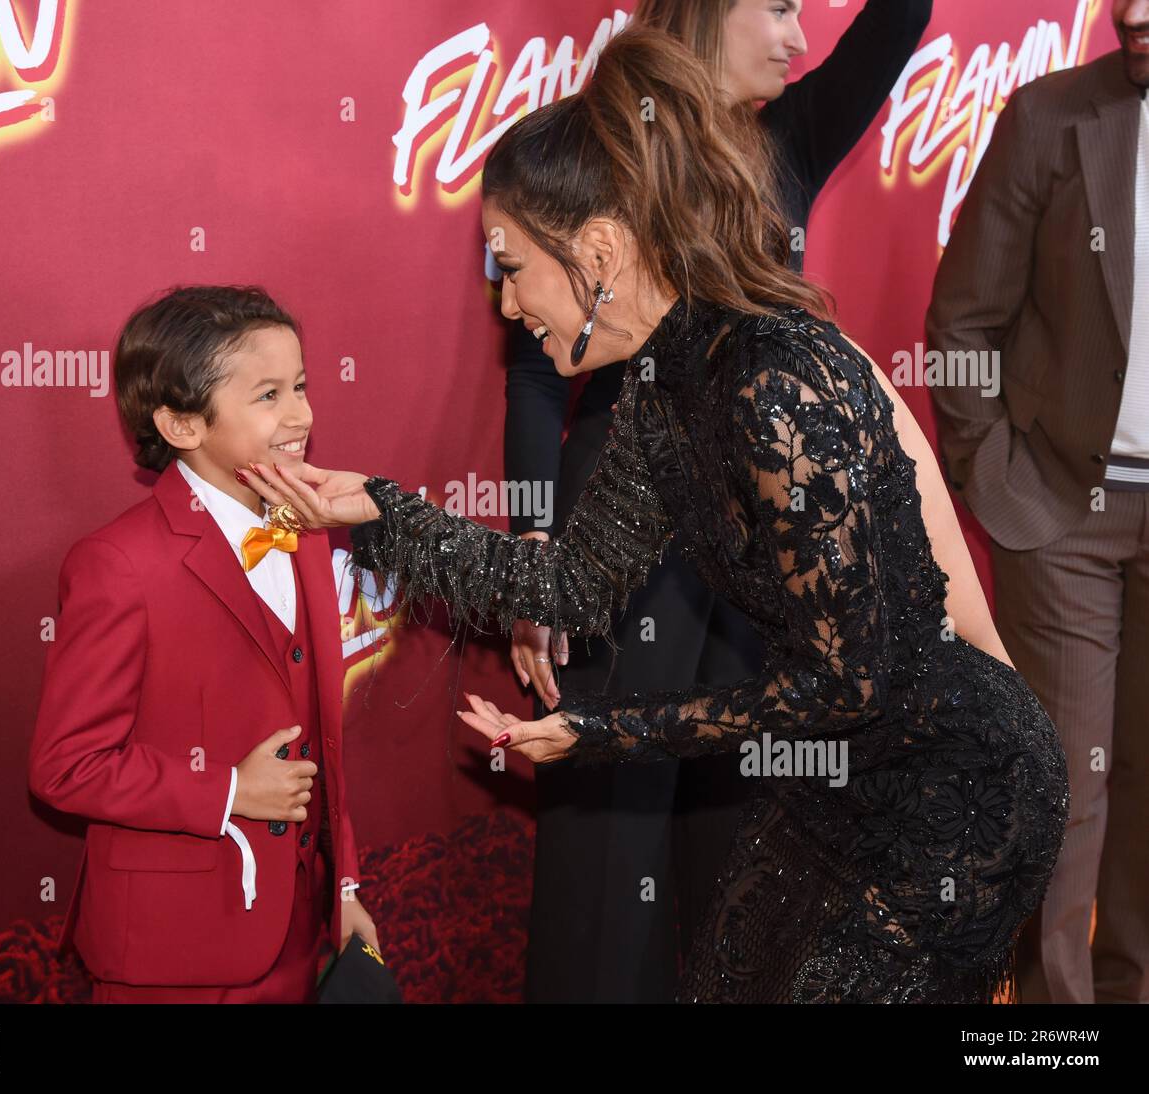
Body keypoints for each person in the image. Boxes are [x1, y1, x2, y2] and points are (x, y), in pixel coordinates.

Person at [240, 26, 1068, 1003]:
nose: (505, 305)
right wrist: (376, 511)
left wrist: (606, 733)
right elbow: (570, 583)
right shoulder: (668, 393)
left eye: (512, 268)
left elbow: (845, 684)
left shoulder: (768, 386)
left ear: (595, 250)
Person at [503, 0, 934, 1001]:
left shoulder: (789, 138)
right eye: (777, 7)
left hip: (756, 527)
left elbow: (900, 15)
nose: (798, 36)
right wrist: (531, 532)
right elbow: (532, 371)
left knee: (743, 816)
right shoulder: (595, 147)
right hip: (623, 513)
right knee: (611, 826)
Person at [28, 285, 376, 1003]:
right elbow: (65, 766)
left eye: (302, 386)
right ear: (182, 424)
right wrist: (229, 790)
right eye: (269, 394)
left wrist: (343, 886)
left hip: (297, 932)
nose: (303, 414)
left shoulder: (305, 528)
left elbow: (324, 744)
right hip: (169, 952)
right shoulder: (118, 564)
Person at [927, 0, 1149, 1004]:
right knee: (1063, 789)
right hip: (1062, 510)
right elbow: (963, 315)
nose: (1131, 11)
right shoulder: (1048, 117)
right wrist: (993, 477)